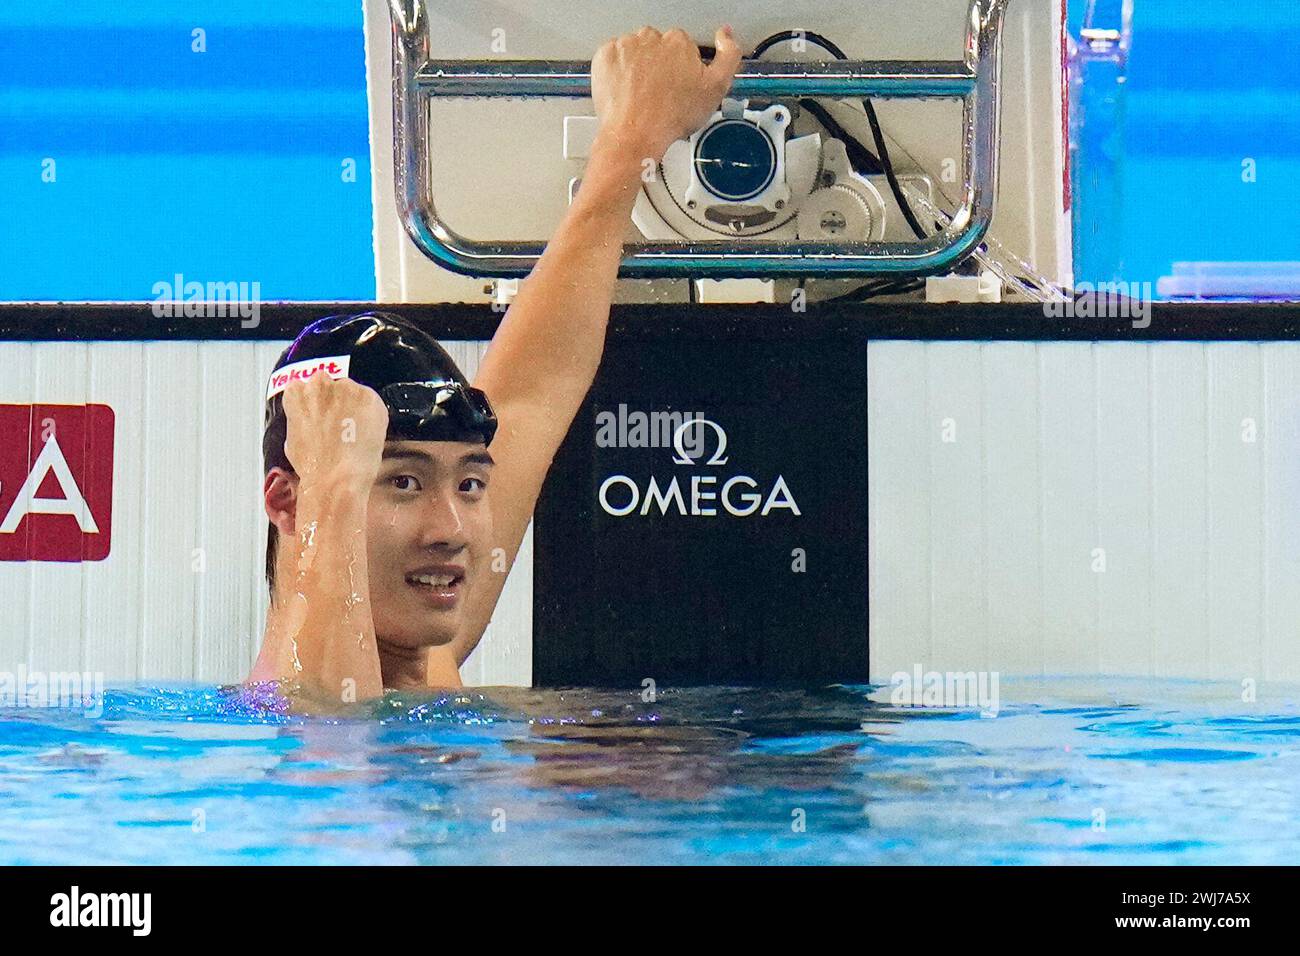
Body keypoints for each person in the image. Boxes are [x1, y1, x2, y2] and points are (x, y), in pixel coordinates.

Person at [246, 25, 743, 703]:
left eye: (471, 486)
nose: (449, 530)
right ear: (285, 499)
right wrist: (331, 483)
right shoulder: (298, 724)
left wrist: (630, 141)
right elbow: (340, 750)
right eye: (399, 483)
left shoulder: (428, 658)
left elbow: (536, 387)